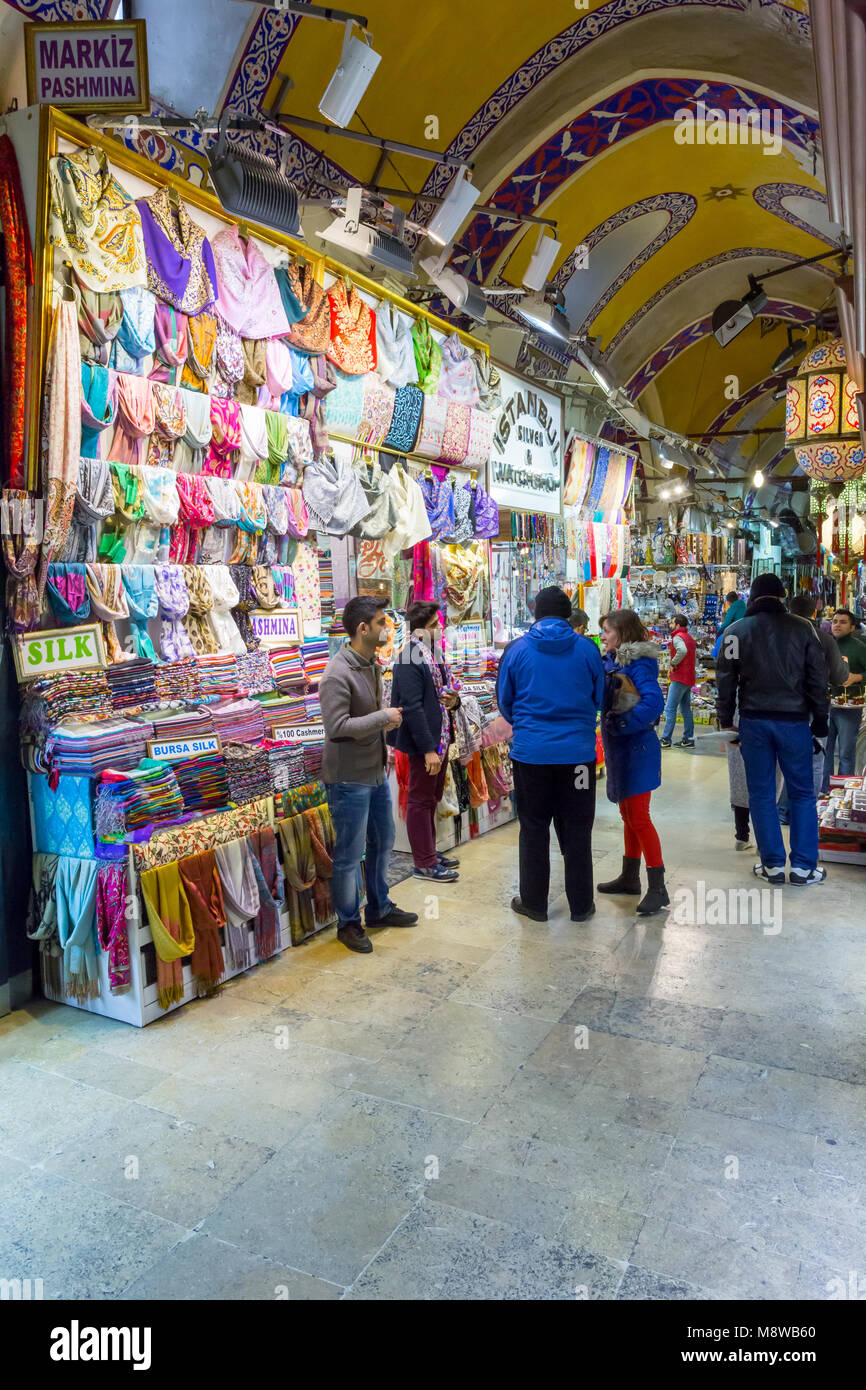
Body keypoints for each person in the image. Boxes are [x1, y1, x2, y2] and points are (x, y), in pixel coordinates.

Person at [497, 585, 604, 923]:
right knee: (577, 829)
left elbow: (505, 701)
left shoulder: (516, 650)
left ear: (536, 614)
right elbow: (601, 697)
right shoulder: (588, 650)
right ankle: (581, 905)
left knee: (533, 827)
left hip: (532, 756)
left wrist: (530, 727)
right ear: (568, 614)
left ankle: (534, 904)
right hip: (578, 757)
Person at [319, 595, 418, 954]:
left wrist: (384, 747)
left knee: (383, 841)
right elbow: (337, 727)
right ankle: (348, 923)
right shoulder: (337, 673)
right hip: (348, 779)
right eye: (380, 622)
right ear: (363, 629)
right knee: (349, 854)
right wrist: (384, 719)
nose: (386, 628)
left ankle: (379, 907)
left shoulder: (370, 664)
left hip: (374, 772)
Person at [716, 573, 829, 886]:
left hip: (754, 722)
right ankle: (805, 867)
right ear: (782, 597)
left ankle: (773, 866)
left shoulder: (734, 632)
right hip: (794, 722)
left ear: (752, 598)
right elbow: (817, 680)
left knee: (762, 794)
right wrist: (820, 721)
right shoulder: (804, 628)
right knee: (803, 794)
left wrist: (727, 722)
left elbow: (725, 682)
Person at [597, 609, 668, 914]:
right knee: (628, 815)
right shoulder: (613, 661)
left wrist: (624, 725)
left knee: (639, 816)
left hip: (636, 747)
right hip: (622, 748)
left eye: (607, 632)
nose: (603, 637)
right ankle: (630, 877)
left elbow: (654, 702)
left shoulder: (638, 662)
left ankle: (658, 887)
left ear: (622, 634)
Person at [388, 600, 461, 883]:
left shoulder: (433, 654)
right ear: (419, 631)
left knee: (431, 797)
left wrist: (453, 701)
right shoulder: (410, 657)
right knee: (420, 800)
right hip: (424, 742)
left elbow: (444, 693)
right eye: (434, 625)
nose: (440, 628)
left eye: (439, 623)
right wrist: (429, 749)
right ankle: (424, 863)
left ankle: (429, 852)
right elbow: (412, 707)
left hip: (438, 737)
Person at [789, 594, 852, 801]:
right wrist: (844, 665)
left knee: (785, 758)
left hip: (780, 706)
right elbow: (839, 676)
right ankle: (808, 807)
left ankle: (783, 807)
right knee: (814, 758)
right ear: (814, 612)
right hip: (813, 707)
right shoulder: (823, 639)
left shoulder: (775, 635)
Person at [822, 608, 866, 790]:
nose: (837, 625)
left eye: (842, 622)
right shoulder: (824, 644)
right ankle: (824, 792)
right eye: (835, 621)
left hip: (849, 708)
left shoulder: (859, 647)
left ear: (852, 627)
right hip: (825, 706)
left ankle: (842, 793)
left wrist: (857, 677)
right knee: (825, 752)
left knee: (846, 754)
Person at [660, 612, 697, 748]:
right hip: (688, 678)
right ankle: (688, 738)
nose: (670, 625)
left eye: (672, 623)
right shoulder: (689, 637)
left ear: (678, 625)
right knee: (686, 709)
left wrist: (673, 663)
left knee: (670, 708)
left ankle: (665, 739)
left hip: (679, 677)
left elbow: (682, 651)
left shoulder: (677, 638)